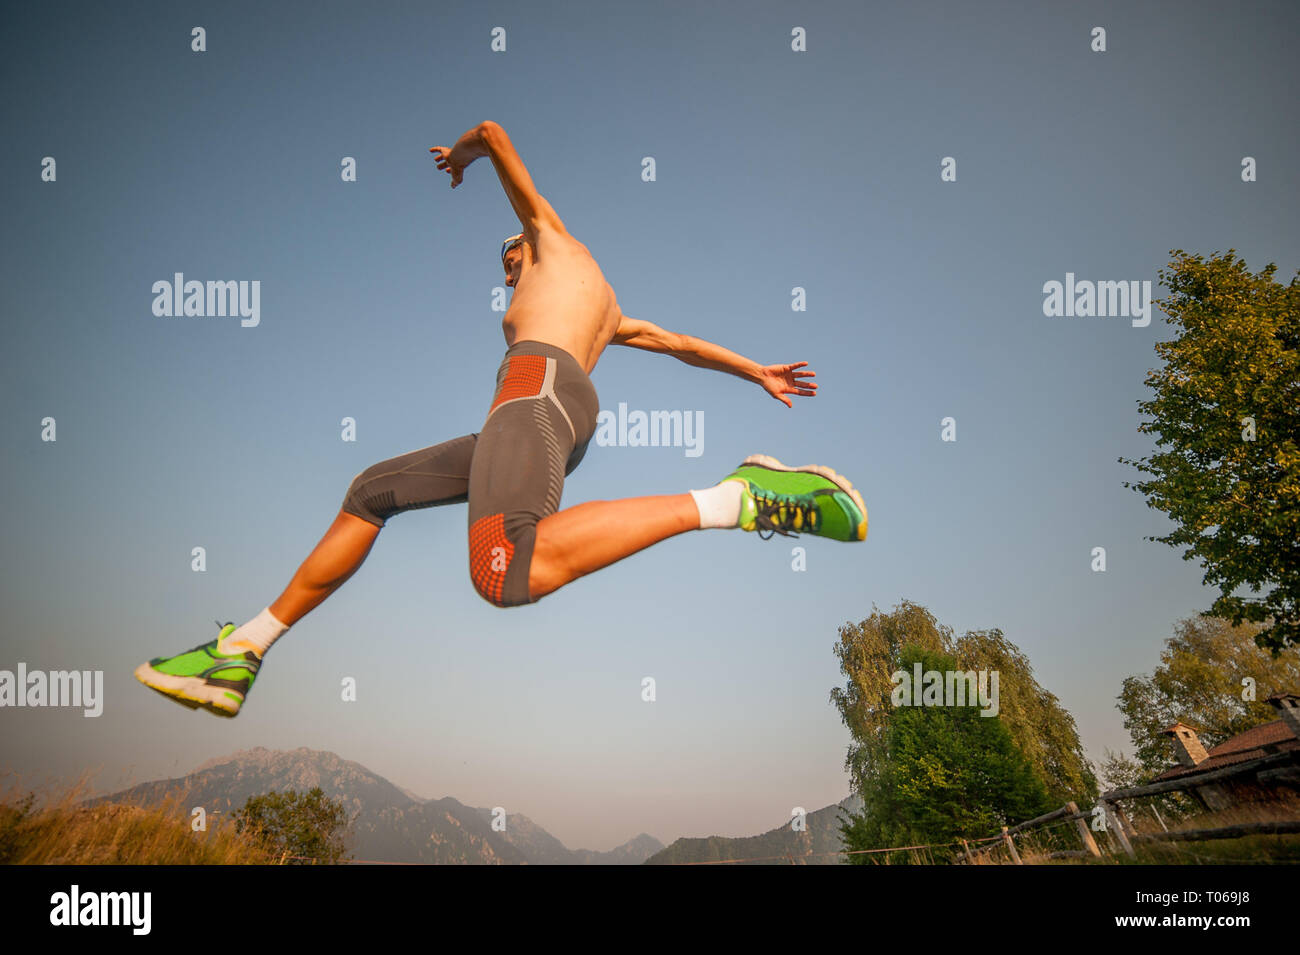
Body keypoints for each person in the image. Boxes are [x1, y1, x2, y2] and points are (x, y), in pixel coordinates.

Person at [134, 120, 867, 718]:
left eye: (507, 258)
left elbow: (493, 131)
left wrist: (461, 155)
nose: (506, 270)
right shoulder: (607, 309)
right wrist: (755, 370)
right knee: (370, 490)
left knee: (502, 567)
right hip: (542, 410)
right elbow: (681, 346)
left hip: (534, 391)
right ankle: (246, 647)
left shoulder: (550, 241)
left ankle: (733, 498)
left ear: (526, 244)